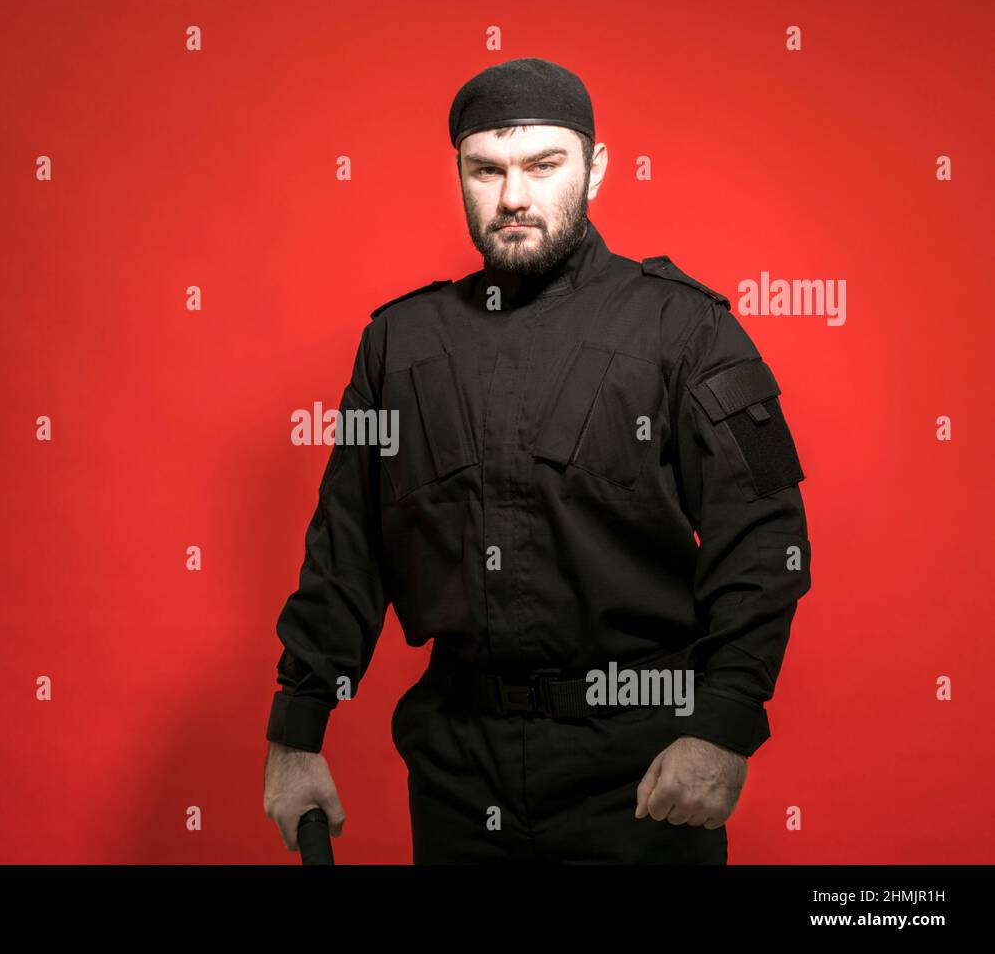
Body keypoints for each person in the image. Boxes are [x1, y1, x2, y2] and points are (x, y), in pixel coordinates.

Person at [261, 57, 812, 863]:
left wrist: (724, 730)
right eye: (486, 170)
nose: (513, 197)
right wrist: (296, 731)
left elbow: (766, 539)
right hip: (455, 772)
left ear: (596, 169)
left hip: (640, 770)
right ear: (458, 175)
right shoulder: (399, 347)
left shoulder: (687, 331)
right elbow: (348, 551)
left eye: (542, 166)